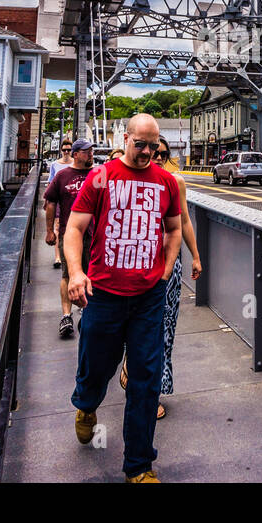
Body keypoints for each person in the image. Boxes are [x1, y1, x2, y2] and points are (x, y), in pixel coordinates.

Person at [64, 114, 182, 483]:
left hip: (149, 297)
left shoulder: (166, 182)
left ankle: (140, 466)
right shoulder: (100, 178)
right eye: (140, 144)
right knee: (96, 366)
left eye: (154, 146)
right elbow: (74, 228)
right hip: (103, 294)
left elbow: (175, 229)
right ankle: (86, 406)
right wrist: (76, 271)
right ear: (126, 138)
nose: (148, 152)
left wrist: (166, 269)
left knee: (146, 381)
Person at [119, 134, 202, 419]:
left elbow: (184, 221)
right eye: (153, 151)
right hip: (134, 266)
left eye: (162, 154)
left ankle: (150, 394)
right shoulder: (128, 179)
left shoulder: (174, 182)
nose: (156, 158)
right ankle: (131, 365)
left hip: (168, 269)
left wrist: (196, 256)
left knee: (163, 331)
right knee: (135, 327)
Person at [43, 138, 95, 338]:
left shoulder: (97, 174)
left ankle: (88, 310)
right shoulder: (63, 175)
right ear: (75, 154)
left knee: (91, 273)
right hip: (68, 233)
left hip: (93, 233)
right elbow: (51, 203)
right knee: (68, 274)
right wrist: (50, 231)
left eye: (91, 151)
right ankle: (66, 315)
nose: (90, 154)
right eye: (85, 151)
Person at [47, 139, 74, 268]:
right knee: (57, 226)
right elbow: (50, 183)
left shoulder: (76, 164)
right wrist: (47, 200)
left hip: (73, 198)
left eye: (69, 150)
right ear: (61, 151)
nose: (66, 152)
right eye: (64, 150)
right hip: (58, 198)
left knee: (71, 226)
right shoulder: (55, 164)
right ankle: (58, 257)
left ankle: (69, 254)